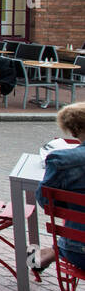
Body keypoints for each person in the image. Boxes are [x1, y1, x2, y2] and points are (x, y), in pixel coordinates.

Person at [29, 102, 85, 273]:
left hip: (79, 250)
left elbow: (47, 203)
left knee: (72, 228)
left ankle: (48, 253)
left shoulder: (61, 160)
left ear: (74, 132)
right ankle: (52, 251)